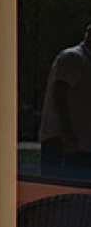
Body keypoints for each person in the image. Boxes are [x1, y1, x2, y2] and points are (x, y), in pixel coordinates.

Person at [39, 24, 91, 181]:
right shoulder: (74, 58)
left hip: (77, 145)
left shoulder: (83, 60)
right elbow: (59, 93)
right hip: (65, 144)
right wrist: (68, 133)